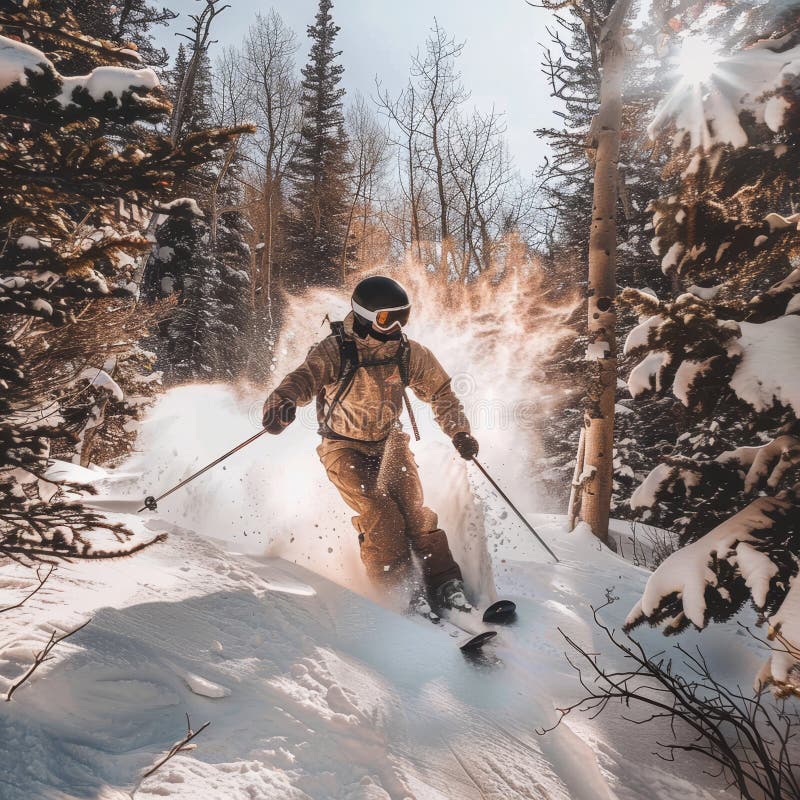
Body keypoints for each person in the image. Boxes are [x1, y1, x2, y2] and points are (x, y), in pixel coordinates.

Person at [262, 275, 480, 613]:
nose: (395, 326)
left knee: (414, 510)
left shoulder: (406, 353)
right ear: (364, 317)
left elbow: (441, 393)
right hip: (342, 446)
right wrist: (282, 404)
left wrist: (459, 433)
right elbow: (302, 380)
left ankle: (444, 581)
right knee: (380, 513)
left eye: (402, 317)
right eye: (385, 318)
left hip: (389, 441)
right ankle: (397, 588)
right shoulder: (337, 350)